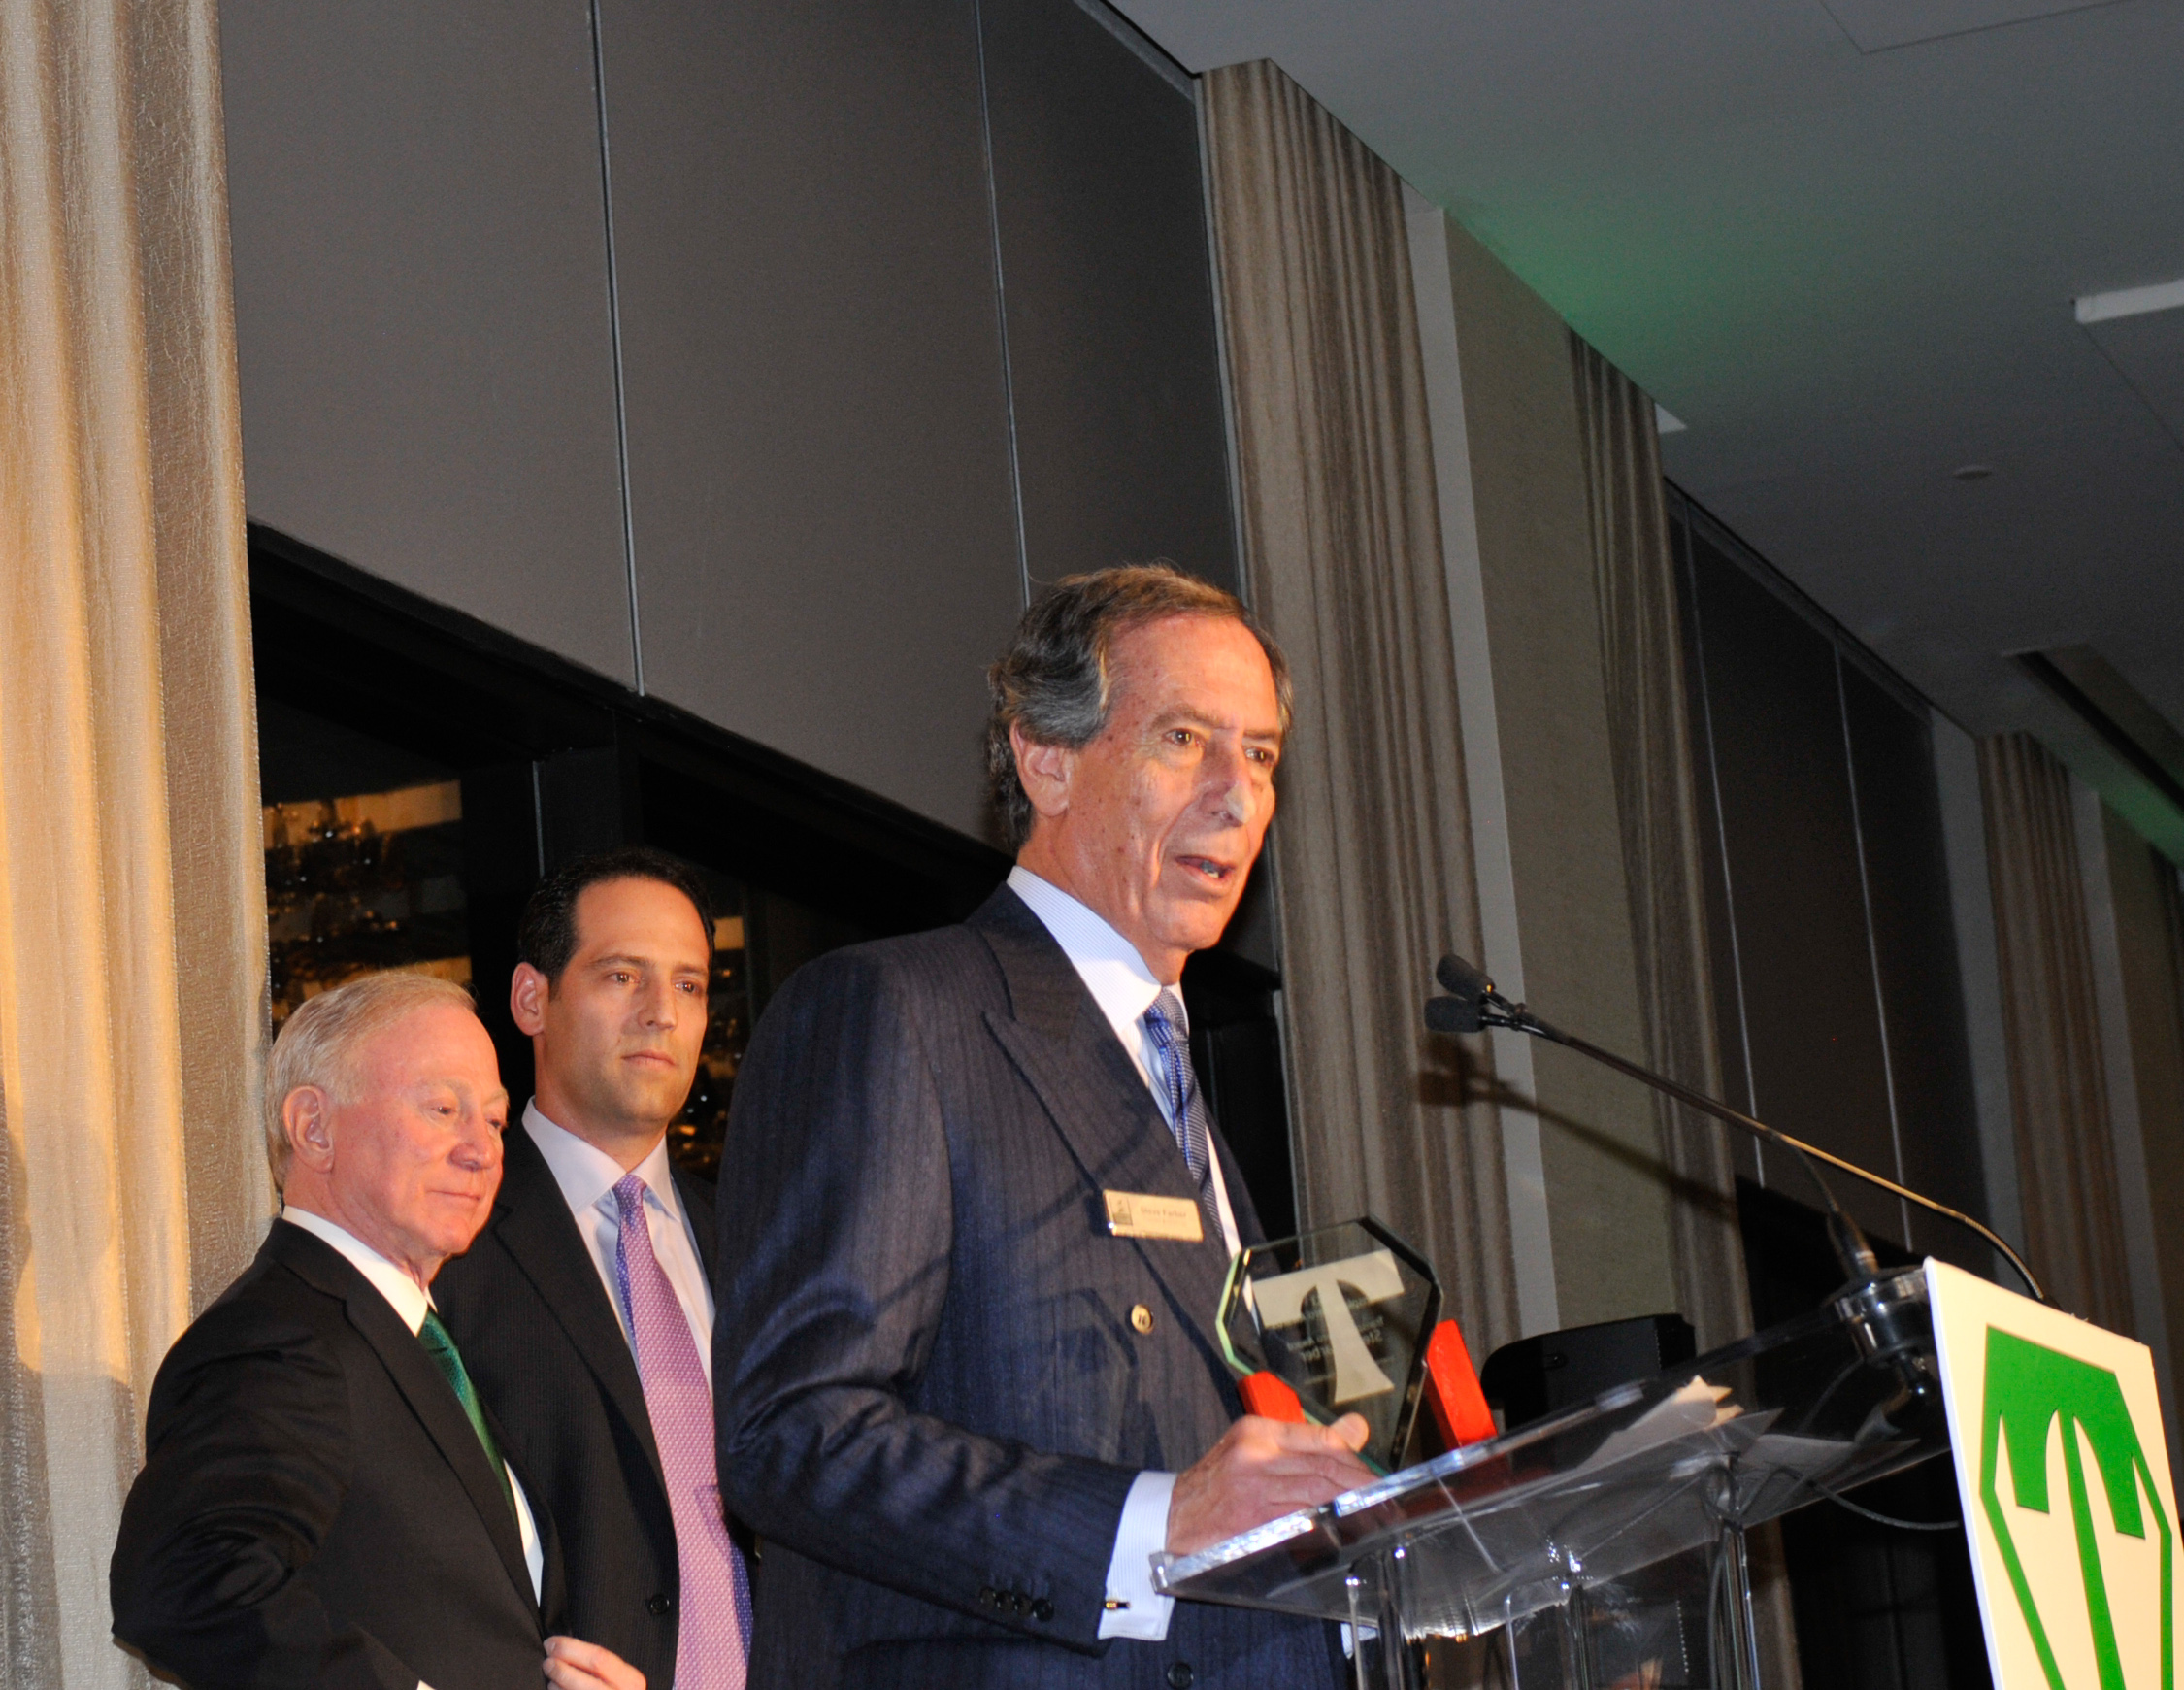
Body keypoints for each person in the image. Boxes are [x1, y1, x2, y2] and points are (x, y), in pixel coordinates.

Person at [715, 563, 1373, 1689]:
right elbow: (792, 1431)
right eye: (1183, 739)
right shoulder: (900, 1014)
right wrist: (1155, 1523)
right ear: (1047, 758)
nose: (1237, 793)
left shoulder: (1174, 1077)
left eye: (1260, 754)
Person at [110, 970, 645, 1690]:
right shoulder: (279, 1335)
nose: (482, 1149)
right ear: (314, 1127)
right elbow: (185, 1585)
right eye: (442, 1108)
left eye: (491, 1119)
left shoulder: (419, 1342)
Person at [436, 847, 749, 1690]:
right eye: (622, 976)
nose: (661, 1014)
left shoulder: (756, 1240)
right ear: (532, 998)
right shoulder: (447, 1240)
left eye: (688, 985)